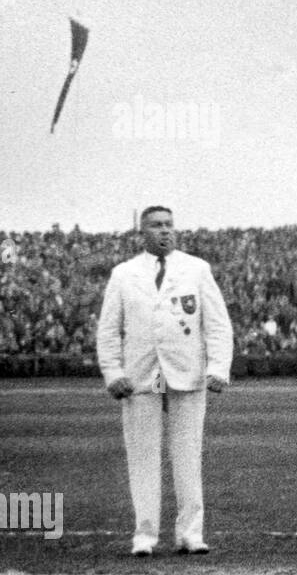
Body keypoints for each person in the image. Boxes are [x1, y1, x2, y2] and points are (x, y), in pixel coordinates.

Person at [96, 206, 233, 556]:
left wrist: (218, 367)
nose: (164, 231)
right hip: (142, 377)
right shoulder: (123, 274)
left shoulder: (196, 269)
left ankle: (190, 533)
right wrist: (113, 372)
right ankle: (145, 536)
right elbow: (109, 330)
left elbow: (217, 324)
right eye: (156, 226)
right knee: (142, 456)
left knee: (188, 455)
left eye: (169, 225)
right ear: (142, 233)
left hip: (185, 374)